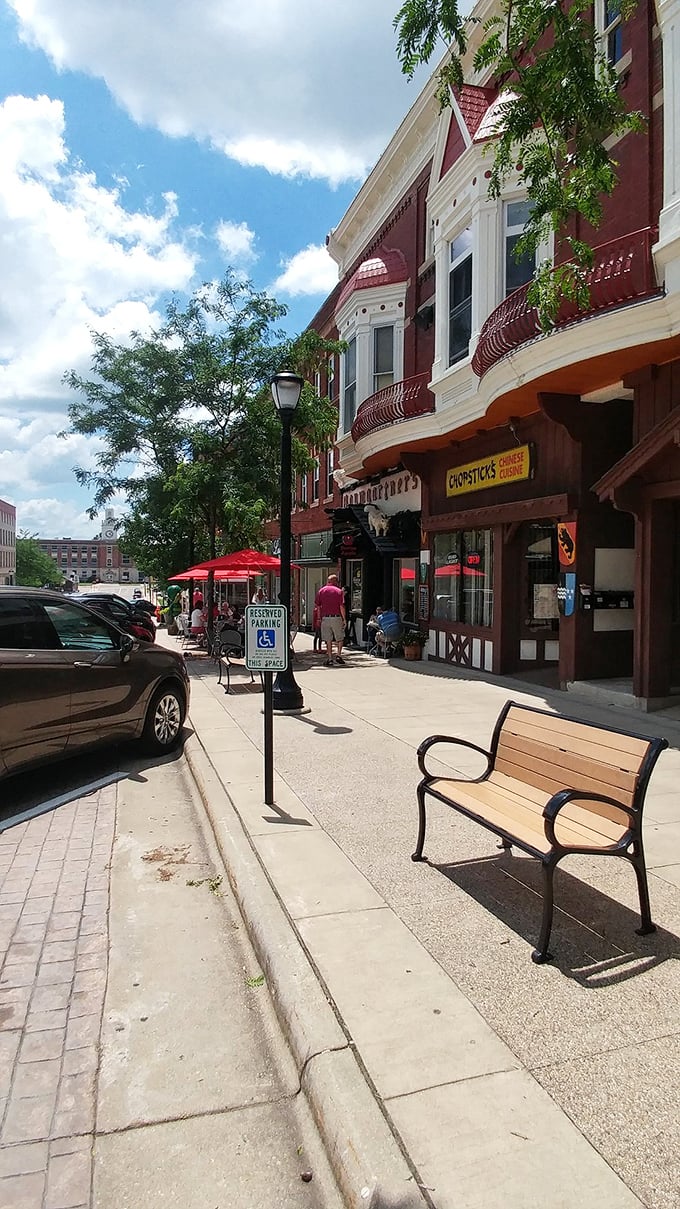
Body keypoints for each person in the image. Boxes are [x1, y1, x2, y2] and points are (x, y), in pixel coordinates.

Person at [314, 573, 346, 666]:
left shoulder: (321, 591)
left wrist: (319, 618)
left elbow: (318, 606)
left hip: (325, 618)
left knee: (328, 639)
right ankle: (339, 655)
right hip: (336, 617)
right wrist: (344, 619)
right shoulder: (339, 591)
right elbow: (341, 606)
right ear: (335, 581)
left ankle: (330, 658)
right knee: (339, 638)